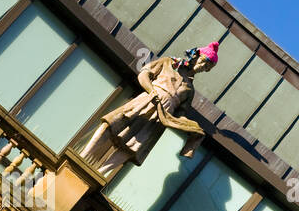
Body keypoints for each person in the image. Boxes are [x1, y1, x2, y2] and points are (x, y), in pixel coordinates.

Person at [78, 41, 220, 177]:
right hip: (145, 102)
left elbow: (180, 114)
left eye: (207, 67)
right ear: (195, 56)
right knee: (111, 123)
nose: (203, 67)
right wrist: (152, 91)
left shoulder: (190, 89)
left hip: (160, 118)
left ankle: (101, 171)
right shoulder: (168, 63)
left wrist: (190, 127)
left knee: (133, 146)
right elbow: (144, 74)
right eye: (203, 62)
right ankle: (84, 155)